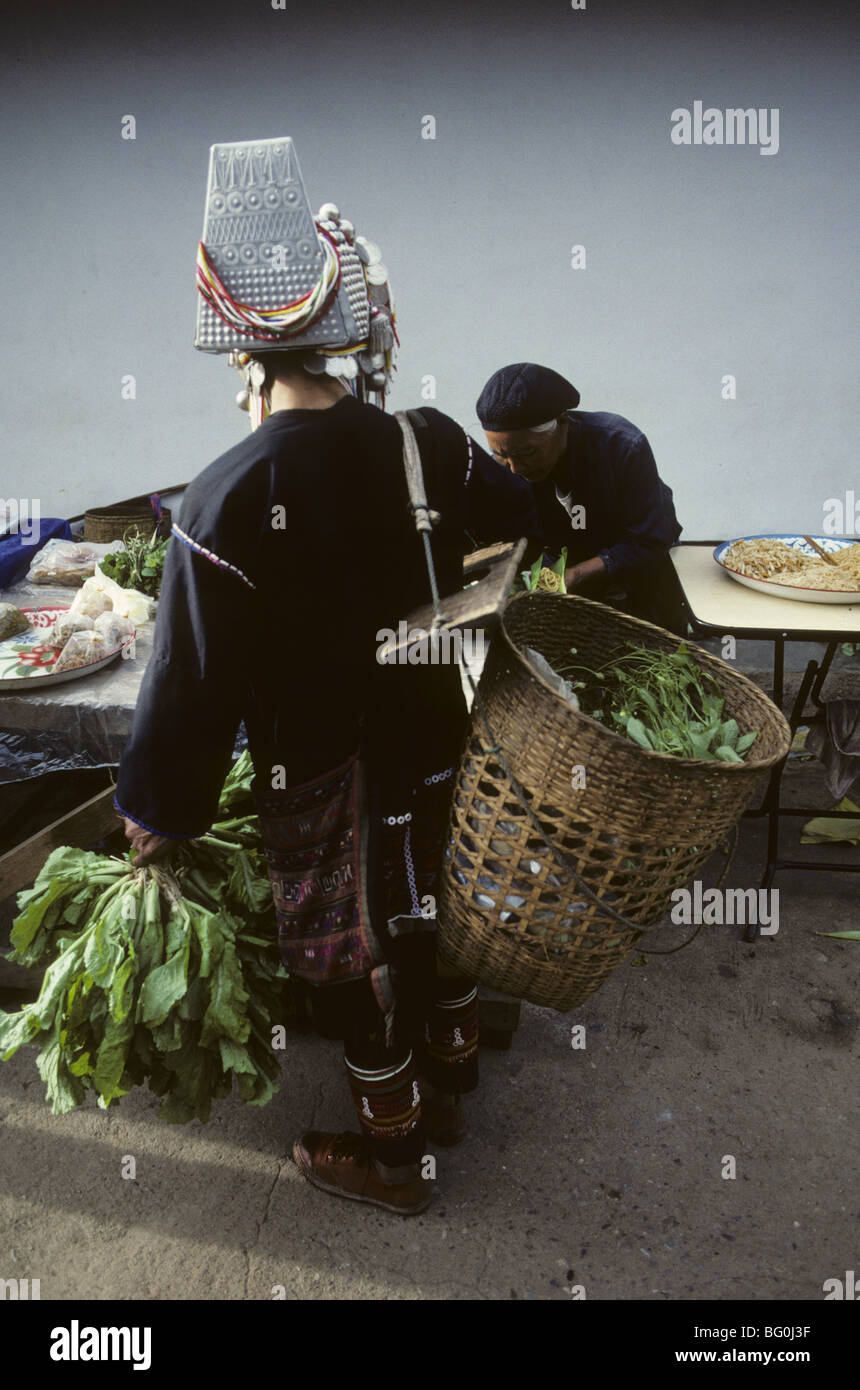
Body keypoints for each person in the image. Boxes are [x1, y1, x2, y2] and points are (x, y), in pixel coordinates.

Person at [115, 138, 539, 1215]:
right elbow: (518, 521)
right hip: (433, 735)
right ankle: (447, 1087)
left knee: (346, 953)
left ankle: (391, 1159)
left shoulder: (216, 501)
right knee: (435, 912)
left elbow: (192, 686)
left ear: (242, 364)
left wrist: (157, 812)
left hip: (314, 763)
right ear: (341, 338)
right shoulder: (424, 441)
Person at [476, 363, 684, 630]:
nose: (514, 468)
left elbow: (649, 539)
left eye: (526, 454)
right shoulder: (510, 466)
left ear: (562, 424)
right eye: (500, 455)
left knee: (654, 637)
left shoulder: (621, 445)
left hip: (641, 560)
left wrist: (575, 575)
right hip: (573, 560)